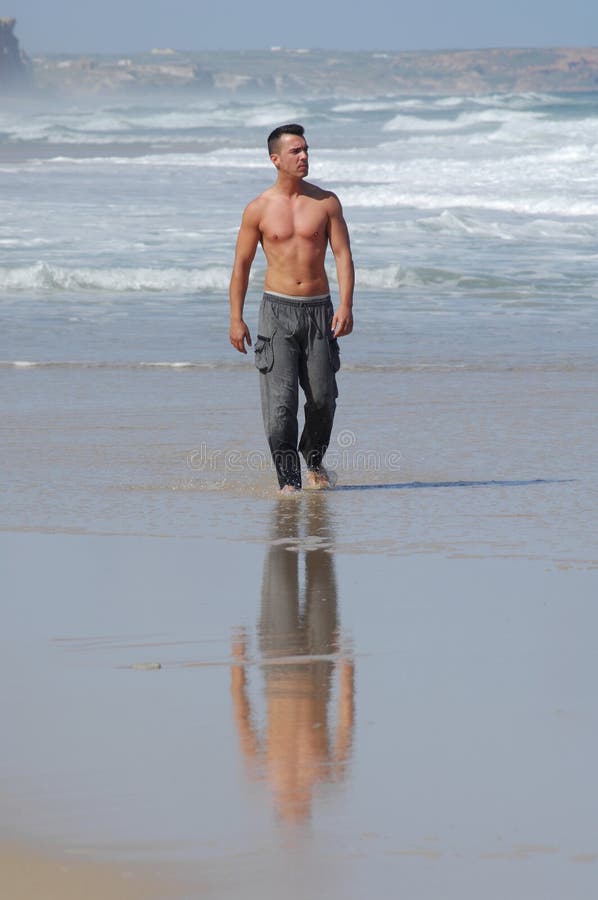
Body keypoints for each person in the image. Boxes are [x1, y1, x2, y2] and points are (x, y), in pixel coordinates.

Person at [229, 123, 355, 493]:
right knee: (280, 405)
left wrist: (345, 304)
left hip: (319, 311)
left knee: (323, 397)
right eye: (296, 152)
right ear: (275, 159)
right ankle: (289, 483)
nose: (304, 157)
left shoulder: (326, 202)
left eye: (306, 150)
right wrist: (235, 318)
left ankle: (313, 460)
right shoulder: (258, 209)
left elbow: (344, 256)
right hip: (277, 313)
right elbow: (241, 265)